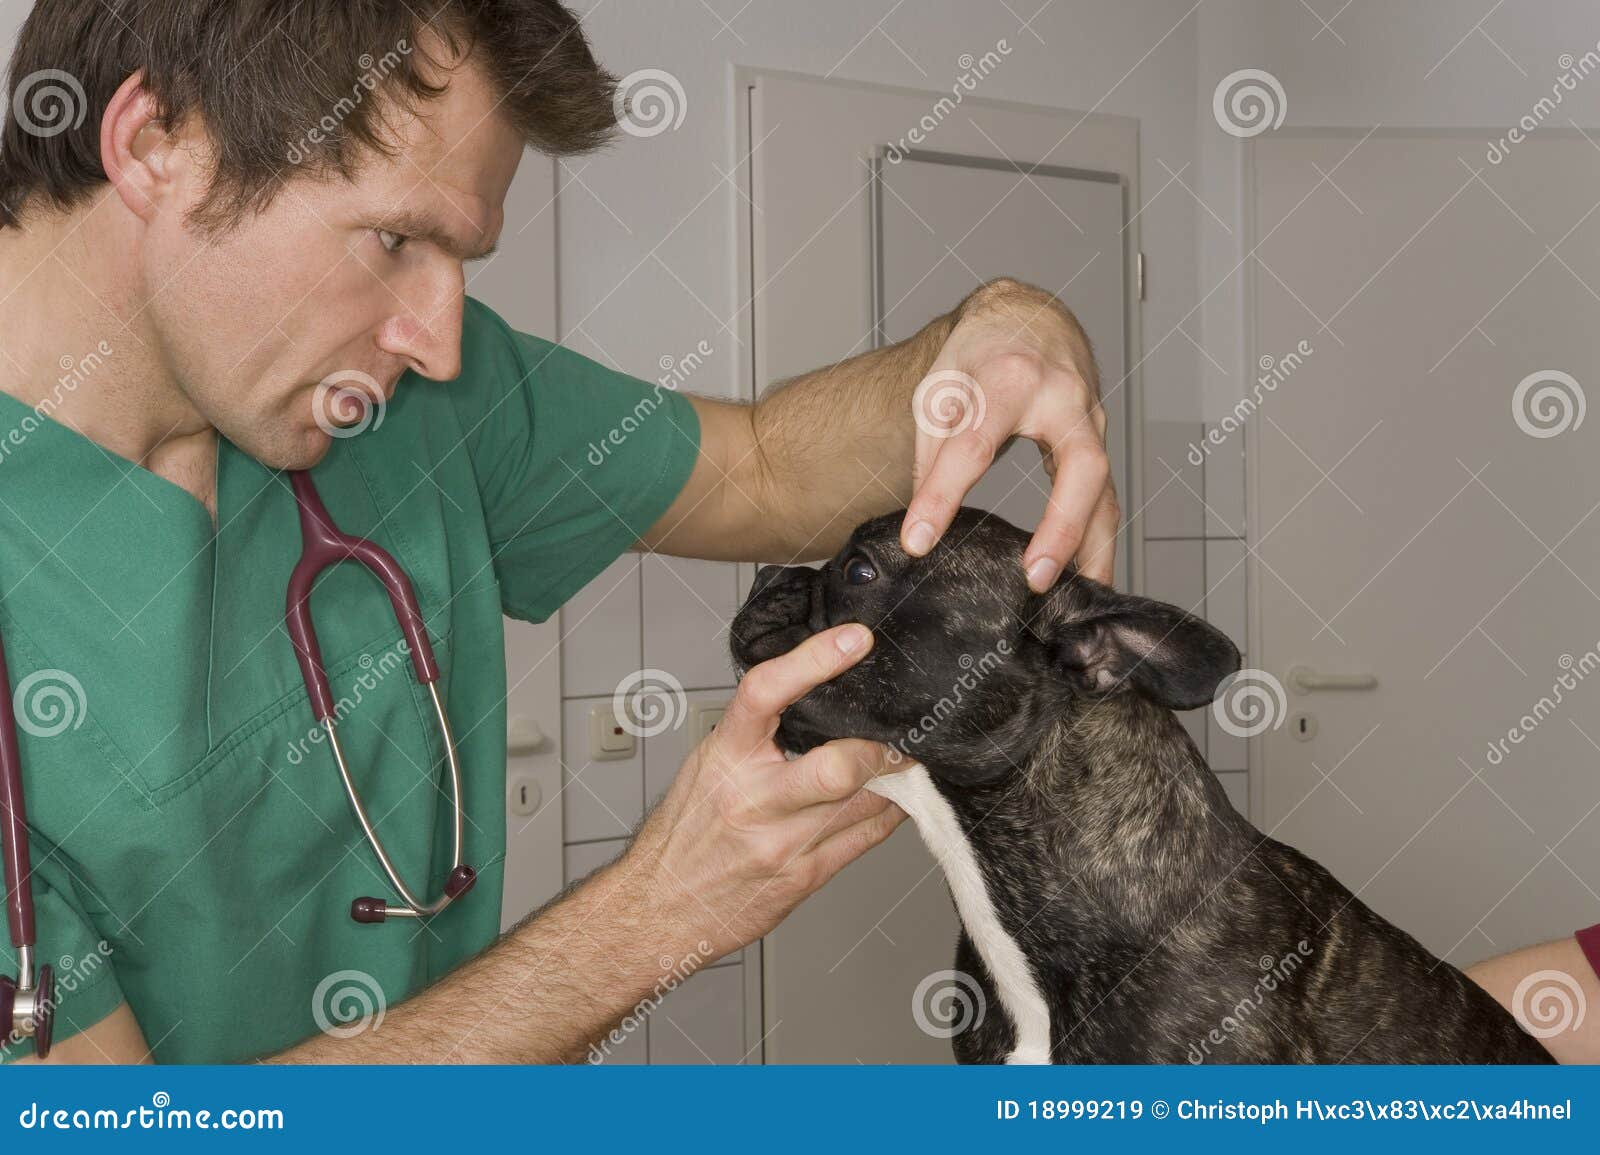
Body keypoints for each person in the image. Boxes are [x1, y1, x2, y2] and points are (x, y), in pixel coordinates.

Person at [0, 1, 1116, 1063]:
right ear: (155, 143)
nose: (438, 340)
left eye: (460, 260)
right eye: (394, 239)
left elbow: (767, 464)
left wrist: (1005, 327)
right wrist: (651, 919)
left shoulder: (398, 401)